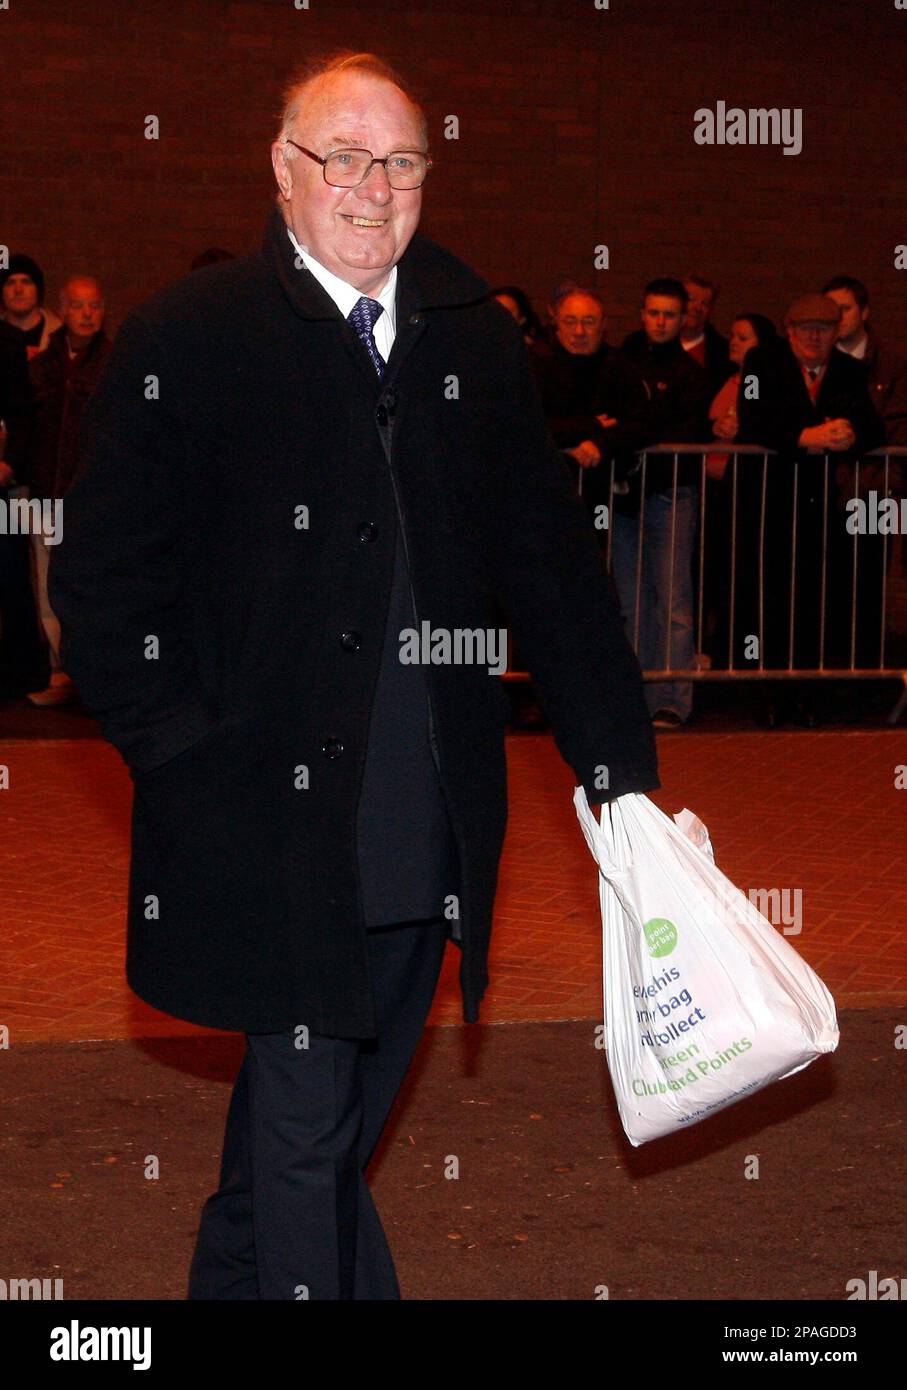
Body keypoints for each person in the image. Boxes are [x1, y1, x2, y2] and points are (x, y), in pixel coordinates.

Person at [49, 51, 659, 1301]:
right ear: (284, 171)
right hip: (265, 817)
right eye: (345, 157)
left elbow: (550, 569)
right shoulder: (189, 339)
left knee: (317, 1119)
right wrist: (184, 756)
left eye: (401, 162)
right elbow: (105, 587)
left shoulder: (469, 338)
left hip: (421, 817)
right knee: (310, 1112)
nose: (373, 188)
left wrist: (621, 776)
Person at [736, 293, 885, 724]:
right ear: (789, 331)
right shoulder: (763, 363)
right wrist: (806, 436)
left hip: (824, 511)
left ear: (837, 333)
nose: (814, 337)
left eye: (823, 329)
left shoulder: (850, 371)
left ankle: (810, 696)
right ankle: (770, 695)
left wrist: (847, 433)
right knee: (771, 600)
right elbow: (753, 421)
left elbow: (875, 428)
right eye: (806, 330)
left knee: (817, 603)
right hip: (773, 505)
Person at [615, 278, 711, 728]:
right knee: (632, 602)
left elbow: (686, 430)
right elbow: (613, 412)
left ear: (684, 318)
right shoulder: (623, 358)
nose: (660, 321)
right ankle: (635, 693)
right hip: (626, 493)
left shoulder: (692, 372)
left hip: (672, 491)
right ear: (642, 313)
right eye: (653, 312)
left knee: (672, 599)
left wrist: (631, 427)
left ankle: (674, 696)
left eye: (669, 314)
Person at [19, 276, 111, 706]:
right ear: (63, 309)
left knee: (91, 585)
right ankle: (60, 672)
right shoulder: (41, 365)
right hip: (43, 494)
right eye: (78, 306)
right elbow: (26, 428)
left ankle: (91, 674)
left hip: (91, 498)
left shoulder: (114, 362)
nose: (87, 314)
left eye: (94, 306)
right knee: (46, 588)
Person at [703, 313, 781, 671]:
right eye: (732, 335)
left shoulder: (763, 381)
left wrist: (742, 427)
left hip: (747, 494)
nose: (733, 342)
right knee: (716, 576)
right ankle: (718, 650)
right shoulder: (727, 379)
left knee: (744, 578)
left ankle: (745, 656)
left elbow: (764, 425)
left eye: (743, 337)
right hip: (715, 489)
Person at [0, 320, 48, 699]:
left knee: (12, 575)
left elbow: (22, 413)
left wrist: (9, 461)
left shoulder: (7, 340)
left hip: (4, 482)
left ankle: (25, 670)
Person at [0, 254, 62, 360]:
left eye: (26, 282)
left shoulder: (63, 337)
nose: (18, 290)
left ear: (38, 290)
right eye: (10, 283)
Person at [680, 274, 733, 397]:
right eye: (691, 299)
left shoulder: (723, 353)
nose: (697, 308)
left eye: (705, 303)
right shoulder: (646, 344)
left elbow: (750, 393)